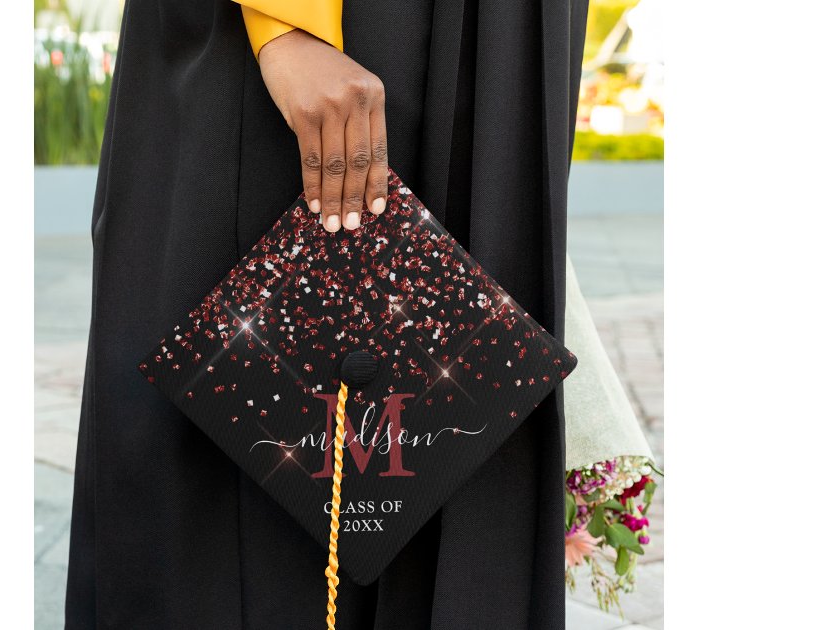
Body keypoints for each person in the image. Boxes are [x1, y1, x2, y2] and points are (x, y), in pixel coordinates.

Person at [65, 0, 589, 627]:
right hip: (328, 29)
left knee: (464, 500)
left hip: (504, 35)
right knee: (236, 518)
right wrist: (283, 29)